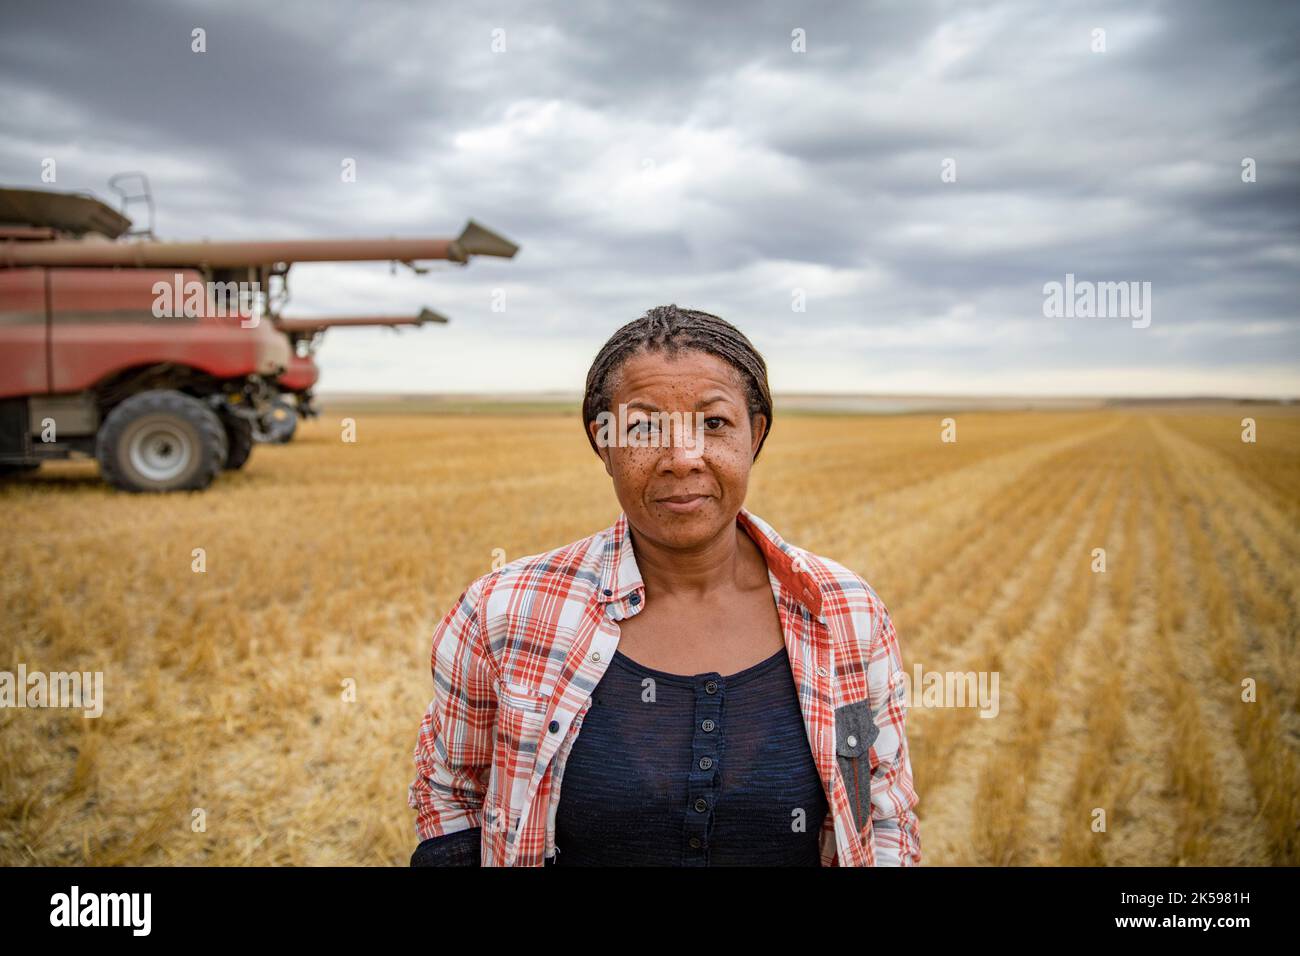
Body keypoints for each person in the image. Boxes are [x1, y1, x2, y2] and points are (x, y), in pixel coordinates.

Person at [408, 304, 921, 866]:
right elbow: (453, 797)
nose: (683, 458)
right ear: (602, 444)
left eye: (714, 423)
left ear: (757, 436)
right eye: (643, 427)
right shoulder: (503, 614)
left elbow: (882, 813)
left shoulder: (845, 615)